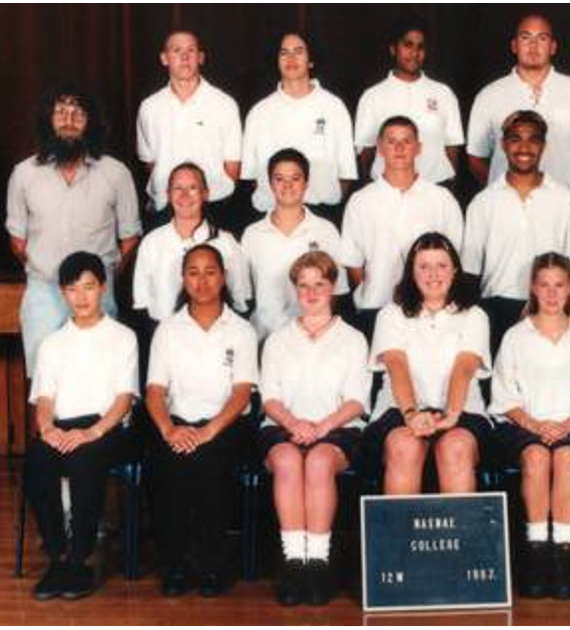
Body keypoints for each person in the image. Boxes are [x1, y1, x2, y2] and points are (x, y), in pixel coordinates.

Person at [257, 251, 370, 607]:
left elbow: (355, 401)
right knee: (289, 461)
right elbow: (269, 398)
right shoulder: (277, 339)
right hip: (283, 425)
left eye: (319, 284)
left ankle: (319, 562)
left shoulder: (353, 339)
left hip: (336, 428)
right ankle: (294, 562)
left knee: (319, 461)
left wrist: (320, 428)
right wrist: (294, 424)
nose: (310, 292)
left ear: (333, 287)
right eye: (303, 285)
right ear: (294, 289)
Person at [145, 244, 259, 598]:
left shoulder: (241, 330)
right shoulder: (167, 330)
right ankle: (175, 564)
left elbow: (242, 393)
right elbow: (154, 391)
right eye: (193, 272)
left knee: (209, 465)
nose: (202, 280)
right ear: (183, 279)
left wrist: (209, 431)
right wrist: (169, 430)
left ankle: (211, 564)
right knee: (169, 463)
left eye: (210, 271)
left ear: (223, 277)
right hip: (178, 420)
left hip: (225, 423)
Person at [490, 253, 570, 600]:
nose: (552, 294)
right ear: (533, 288)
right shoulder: (515, 336)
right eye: (544, 285)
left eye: (559, 286)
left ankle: (565, 555)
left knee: (567, 458)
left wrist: (569, 423)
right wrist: (535, 425)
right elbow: (504, 394)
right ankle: (537, 552)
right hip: (524, 423)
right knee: (538, 458)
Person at [24, 252, 138, 601]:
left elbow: (124, 398)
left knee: (84, 459)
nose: (82, 297)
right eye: (73, 289)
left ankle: (81, 556)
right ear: (63, 293)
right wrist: (47, 429)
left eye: (89, 287)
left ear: (102, 288)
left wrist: (93, 432)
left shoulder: (123, 337)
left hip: (108, 428)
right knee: (37, 459)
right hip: (63, 425)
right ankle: (58, 557)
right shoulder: (53, 343)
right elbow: (43, 399)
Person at [5, 84, 140, 378]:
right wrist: (45, 269)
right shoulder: (24, 174)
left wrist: (103, 276)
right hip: (44, 295)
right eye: (60, 112)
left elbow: (130, 237)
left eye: (78, 113)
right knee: (46, 386)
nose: (69, 120)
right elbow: (17, 241)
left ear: (90, 121)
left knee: (102, 381)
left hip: (98, 296)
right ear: (47, 120)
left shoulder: (116, 174)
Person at [363, 232, 493, 495]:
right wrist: (411, 414)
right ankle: (399, 536)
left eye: (441, 265)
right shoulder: (391, 314)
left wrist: (452, 413)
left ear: (455, 270)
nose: (433, 274)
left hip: (462, 409)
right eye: (424, 266)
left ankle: (461, 536)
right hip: (400, 409)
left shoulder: (475, 315)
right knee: (404, 446)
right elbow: (396, 364)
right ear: (412, 272)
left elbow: (464, 366)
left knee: (455, 447)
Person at [461, 110, 570, 359]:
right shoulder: (483, 202)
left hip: (550, 308)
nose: (524, 147)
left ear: (544, 145)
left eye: (533, 139)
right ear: (504, 145)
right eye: (516, 139)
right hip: (497, 308)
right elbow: (469, 270)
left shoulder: (565, 200)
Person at [339, 116, 464, 341]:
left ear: (418, 148)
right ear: (379, 148)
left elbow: (454, 260)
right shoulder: (360, 201)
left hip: (429, 312)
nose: (399, 148)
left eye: (406, 141)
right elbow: (353, 264)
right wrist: (371, 290)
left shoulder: (442, 199)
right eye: (391, 141)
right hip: (375, 307)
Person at [466, 13, 570, 196]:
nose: (534, 45)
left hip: (562, 206)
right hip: (505, 206)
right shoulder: (489, 95)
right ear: (514, 46)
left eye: (542, 38)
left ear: (553, 47)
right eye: (526, 38)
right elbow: (476, 157)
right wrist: (499, 191)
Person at [241, 32, 357, 228]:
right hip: (272, 216)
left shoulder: (334, 107)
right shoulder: (259, 112)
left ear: (311, 60)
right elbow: (251, 176)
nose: (291, 59)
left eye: (299, 51)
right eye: (284, 53)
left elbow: (346, 173)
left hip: (322, 214)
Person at [136, 30, 244, 235]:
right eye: (176, 50)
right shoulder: (149, 107)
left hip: (215, 207)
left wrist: (208, 197)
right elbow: (149, 162)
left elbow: (233, 166)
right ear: (164, 58)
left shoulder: (224, 104)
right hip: (165, 208)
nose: (184, 57)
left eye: (190, 50)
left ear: (201, 57)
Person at [240, 149, 349, 341]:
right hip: (265, 337)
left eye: (295, 178)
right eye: (279, 179)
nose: (287, 186)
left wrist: (314, 329)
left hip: (313, 338)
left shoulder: (326, 230)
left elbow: (336, 290)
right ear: (270, 184)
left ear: (306, 183)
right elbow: (245, 294)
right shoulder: (252, 234)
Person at [133, 162, 251, 325]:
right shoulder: (151, 243)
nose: (185, 195)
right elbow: (142, 304)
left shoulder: (226, 243)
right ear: (168, 194)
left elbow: (240, 300)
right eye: (178, 188)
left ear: (206, 194)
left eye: (193, 188)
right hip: (166, 338)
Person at [354, 17, 464, 186]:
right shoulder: (372, 96)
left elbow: (452, 148)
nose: (414, 53)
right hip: (386, 189)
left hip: (436, 186)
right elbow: (366, 152)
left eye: (420, 47)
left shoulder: (443, 93)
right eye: (408, 45)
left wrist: (448, 188)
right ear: (393, 49)